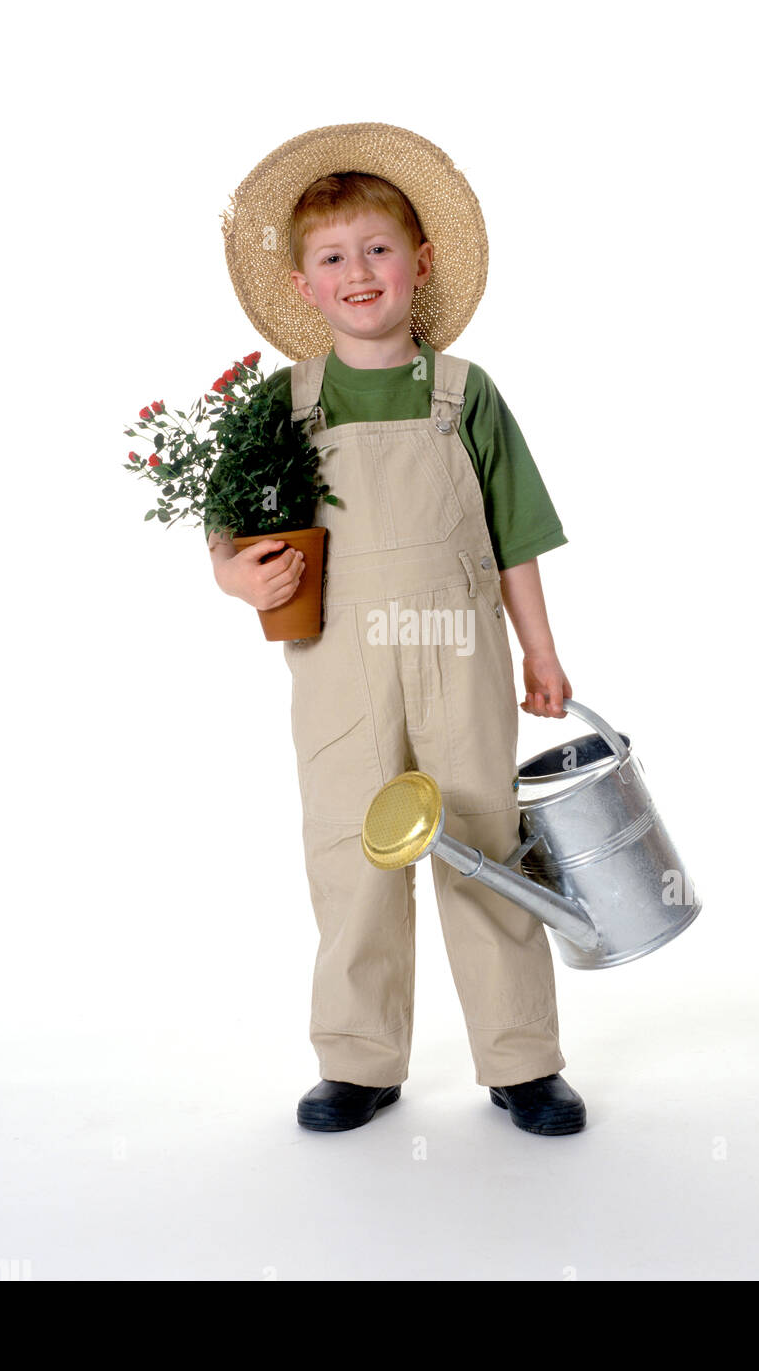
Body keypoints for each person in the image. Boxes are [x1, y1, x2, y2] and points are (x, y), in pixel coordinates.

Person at [210, 124, 586, 1136]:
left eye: (378, 248)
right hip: (338, 665)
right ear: (301, 285)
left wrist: (540, 653)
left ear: (419, 263)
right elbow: (232, 538)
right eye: (332, 257)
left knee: (482, 843)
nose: (358, 271)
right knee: (351, 851)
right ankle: (359, 1060)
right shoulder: (280, 406)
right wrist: (237, 575)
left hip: (460, 655)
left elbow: (515, 534)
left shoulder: (467, 395)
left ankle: (521, 1061)